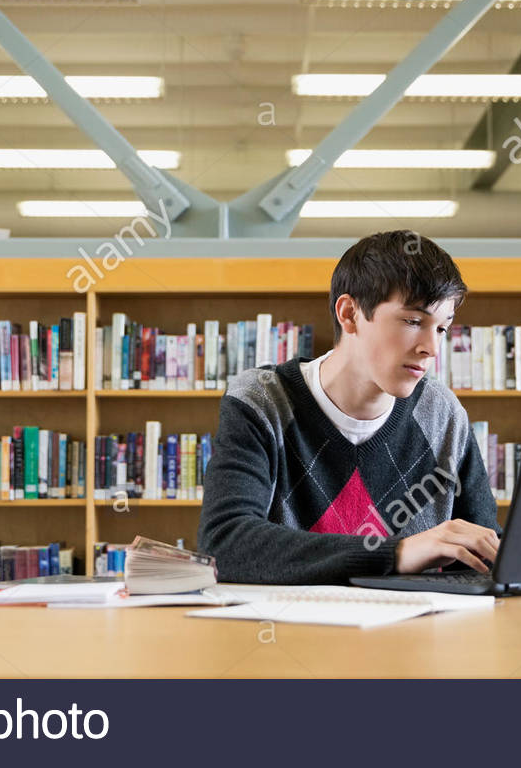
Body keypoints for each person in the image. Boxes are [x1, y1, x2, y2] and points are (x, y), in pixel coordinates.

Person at [197, 230, 500, 584]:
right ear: (350, 314)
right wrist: (397, 553)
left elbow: (483, 552)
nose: (431, 348)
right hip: (290, 632)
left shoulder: (441, 413)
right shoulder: (262, 402)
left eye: (442, 329)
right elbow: (226, 545)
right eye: (413, 321)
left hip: (412, 635)